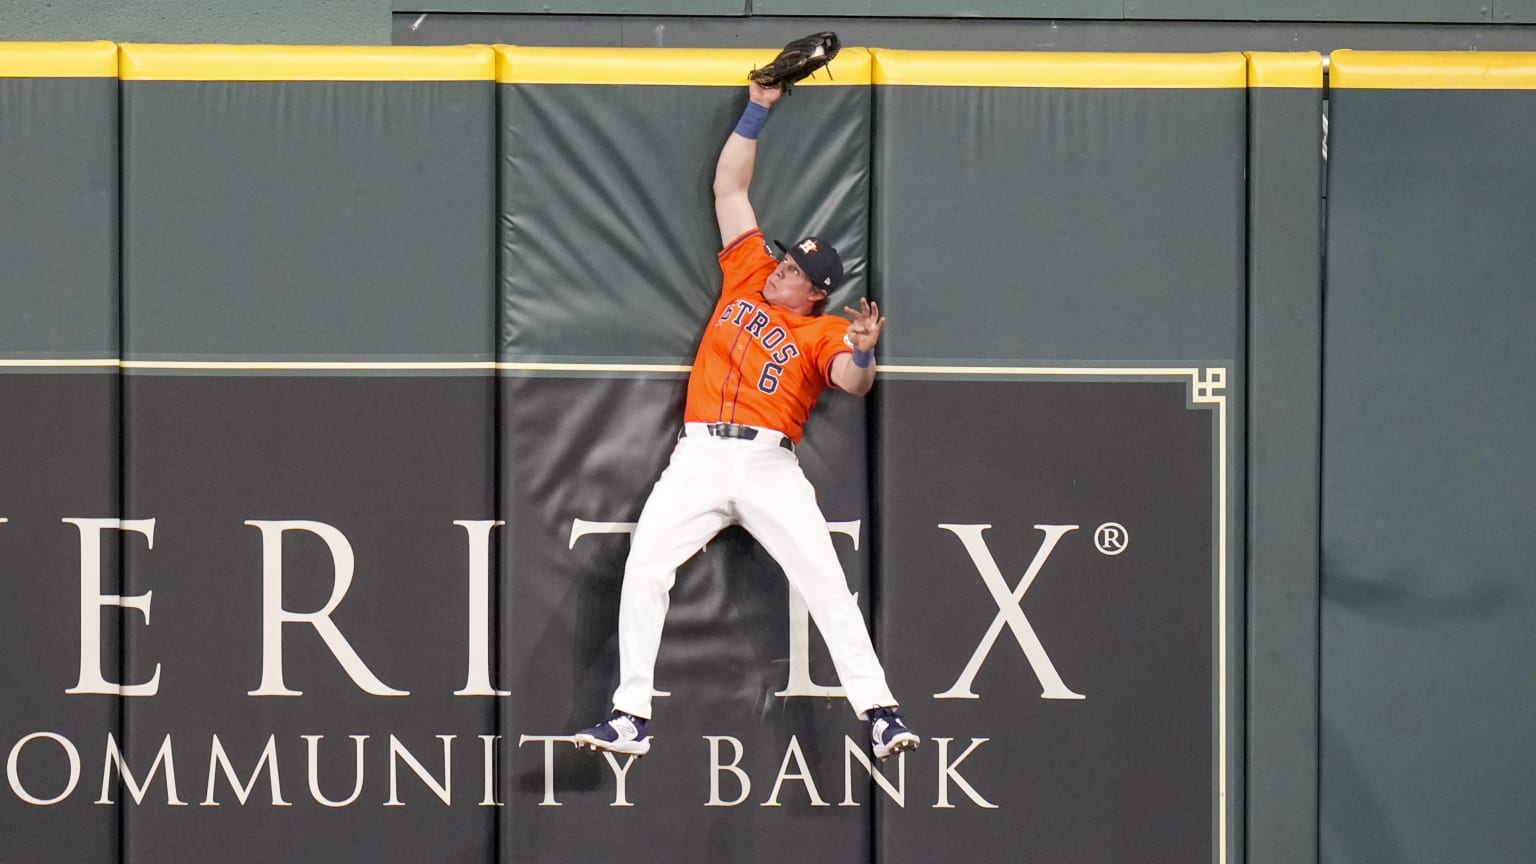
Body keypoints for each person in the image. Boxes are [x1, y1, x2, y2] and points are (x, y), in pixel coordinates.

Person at [573, 80, 918, 761]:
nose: (780, 270)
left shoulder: (820, 335)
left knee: (823, 578)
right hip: (697, 456)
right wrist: (760, 105)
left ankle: (879, 712)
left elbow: (852, 383)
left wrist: (865, 349)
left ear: (815, 293)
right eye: (784, 260)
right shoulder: (749, 273)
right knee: (645, 568)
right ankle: (630, 717)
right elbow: (729, 189)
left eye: (793, 271)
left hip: (767, 463)